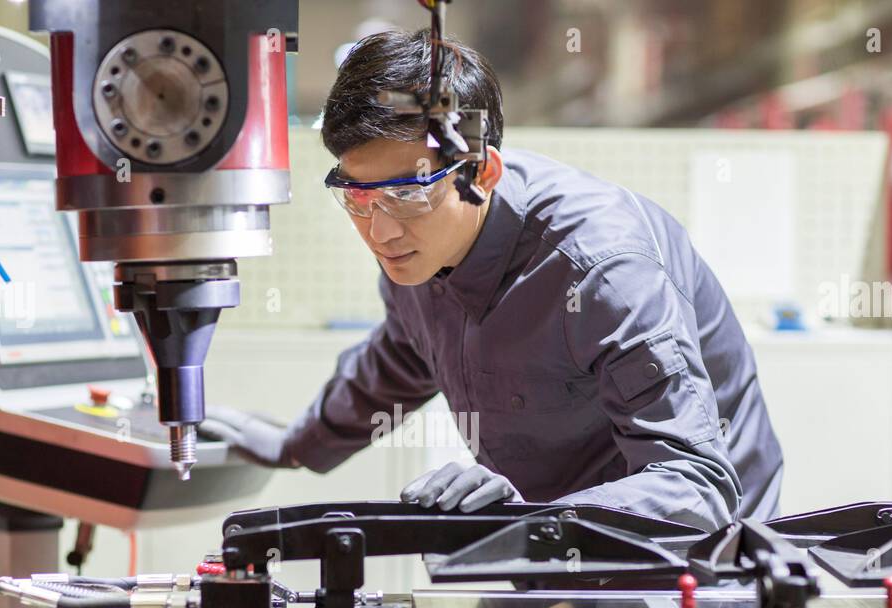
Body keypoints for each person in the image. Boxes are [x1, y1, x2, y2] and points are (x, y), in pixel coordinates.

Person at [202, 29, 783, 532]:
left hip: (696, 559)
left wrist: (530, 520)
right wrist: (296, 445)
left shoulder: (602, 270)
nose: (378, 232)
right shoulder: (417, 251)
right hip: (554, 541)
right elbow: (402, 357)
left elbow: (695, 486)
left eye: (406, 194)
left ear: (482, 173)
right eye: (355, 196)